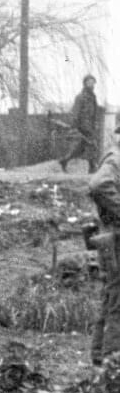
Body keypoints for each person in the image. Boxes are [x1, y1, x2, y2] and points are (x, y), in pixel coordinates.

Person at [85, 123, 120, 365]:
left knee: (111, 295)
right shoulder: (116, 159)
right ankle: (112, 359)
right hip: (115, 237)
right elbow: (98, 185)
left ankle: (101, 357)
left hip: (112, 235)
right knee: (117, 297)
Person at [63, 75, 102, 174]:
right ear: (85, 83)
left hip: (90, 126)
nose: (92, 84)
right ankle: (92, 167)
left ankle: (65, 161)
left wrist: (96, 123)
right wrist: (74, 126)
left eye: (93, 82)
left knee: (81, 147)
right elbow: (75, 112)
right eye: (89, 82)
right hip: (83, 126)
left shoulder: (93, 96)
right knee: (92, 145)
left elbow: (95, 111)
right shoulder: (80, 96)